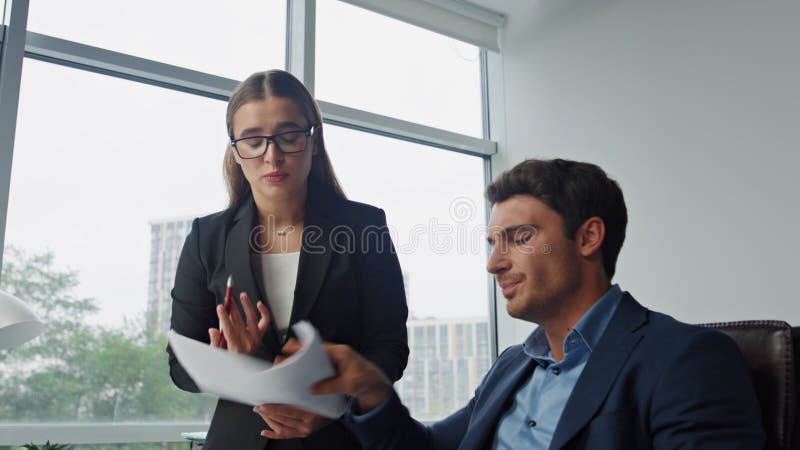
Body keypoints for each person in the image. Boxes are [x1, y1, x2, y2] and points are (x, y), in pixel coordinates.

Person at [283, 158, 765, 449]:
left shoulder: (687, 358)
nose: (494, 264)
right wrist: (370, 389)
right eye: (493, 243)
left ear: (588, 236)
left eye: (519, 238)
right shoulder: (513, 366)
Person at [166, 69, 409, 450]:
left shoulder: (365, 226)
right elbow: (180, 365)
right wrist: (229, 361)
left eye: (289, 135)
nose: (272, 155)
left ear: (314, 142)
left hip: (336, 440)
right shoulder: (206, 237)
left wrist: (335, 405)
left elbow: (390, 348)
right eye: (253, 140)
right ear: (236, 152)